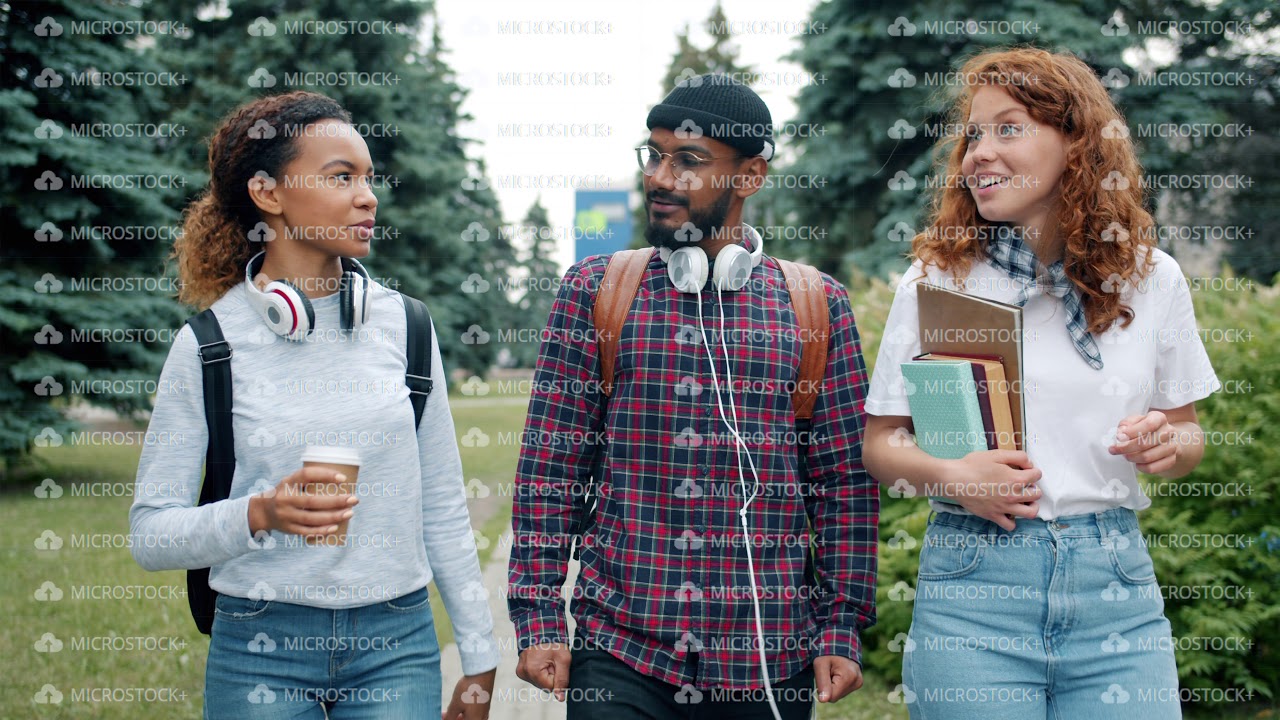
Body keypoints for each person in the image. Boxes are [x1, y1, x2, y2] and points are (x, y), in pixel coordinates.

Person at [507, 74, 879, 720]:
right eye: (653, 156)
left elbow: (843, 481)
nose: (660, 177)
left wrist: (841, 624)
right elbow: (551, 469)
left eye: (688, 160)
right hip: (622, 649)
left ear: (751, 175)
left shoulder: (817, 305)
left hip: (766, 654)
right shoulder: (597, 291)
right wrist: (539, 615)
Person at [863, 48, 1220, 718]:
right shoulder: (940, 279)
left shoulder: (1153, 278)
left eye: (1008, 128)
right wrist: (954, 477)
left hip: (1115, 590)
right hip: (974, 590)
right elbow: (882, 444)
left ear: (1076, 144)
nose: (978, 153)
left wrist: (1166, 443)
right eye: (973, 135)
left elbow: (1187, 430)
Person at [129, 91, 498, 719]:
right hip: (259, 645)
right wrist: (261, 511)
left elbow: (440, 503)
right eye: (341, 177)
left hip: (397, 642)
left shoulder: (407, 327)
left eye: (369, 178)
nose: (368, 196)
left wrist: (478, 655)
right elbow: (150, 535)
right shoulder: (208, 347)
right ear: (268, 194)